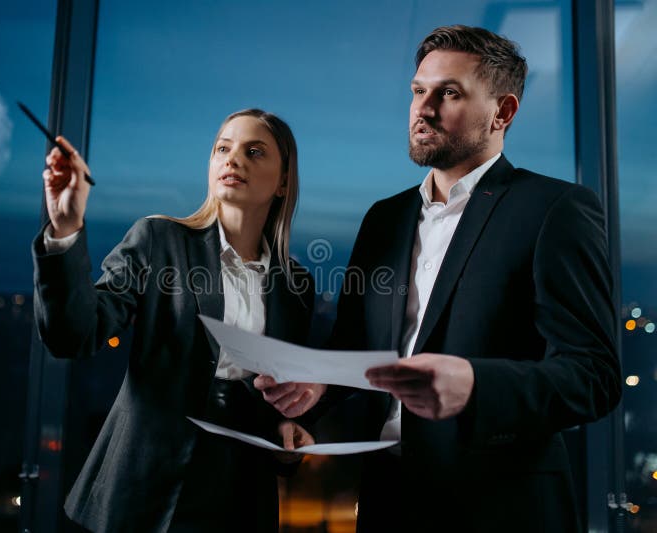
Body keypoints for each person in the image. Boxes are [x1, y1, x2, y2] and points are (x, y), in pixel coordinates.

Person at [263, 25, 622, 532]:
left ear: (503, 112)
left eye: (448, 93)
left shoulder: (555, 209)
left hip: (502, 509)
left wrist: (477, 385)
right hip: (388, 500)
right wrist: (315, 389)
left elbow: (595, 377)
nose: (423, 109)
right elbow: (355, 346)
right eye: (418, 91)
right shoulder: (383, 219)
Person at [32, 109, 320, 533]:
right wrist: (65, 229)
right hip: (143, 495)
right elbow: (73, 335)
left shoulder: (297, 286)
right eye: (223, 148)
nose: (232, 159)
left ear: (283, 182)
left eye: (254, 151)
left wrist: (290, 436)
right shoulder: (158, 240)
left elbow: (283, 400)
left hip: (240, 500)